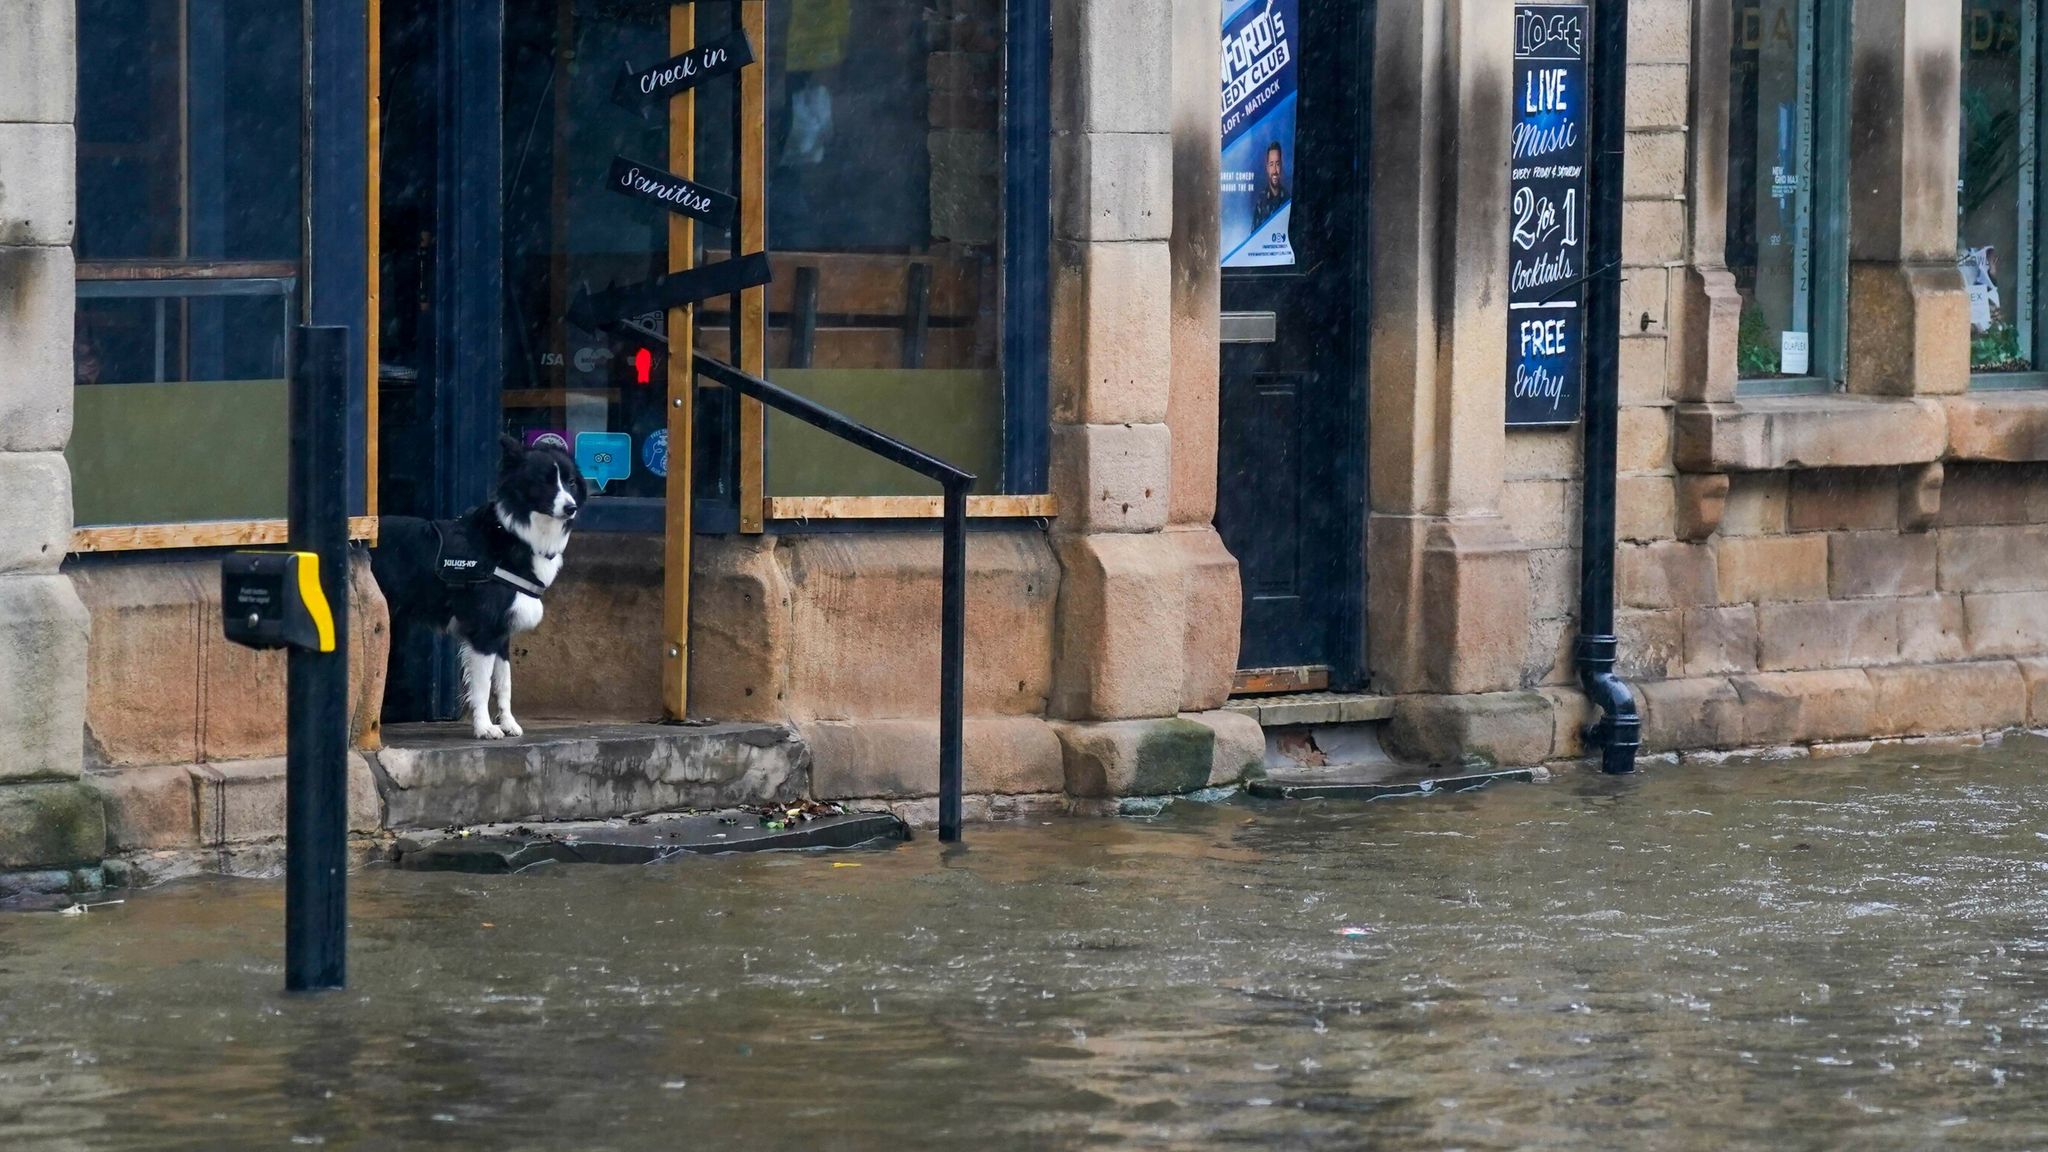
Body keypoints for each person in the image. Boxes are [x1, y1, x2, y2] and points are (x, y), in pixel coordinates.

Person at [1253, 142, 1290, 225]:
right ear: (1267, 168)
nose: (1274, 170)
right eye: (1271, 164)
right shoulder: (1261, 200)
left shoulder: (1288, 199)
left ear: (1281, 166)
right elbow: (1254, 234)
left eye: (1277, 164)